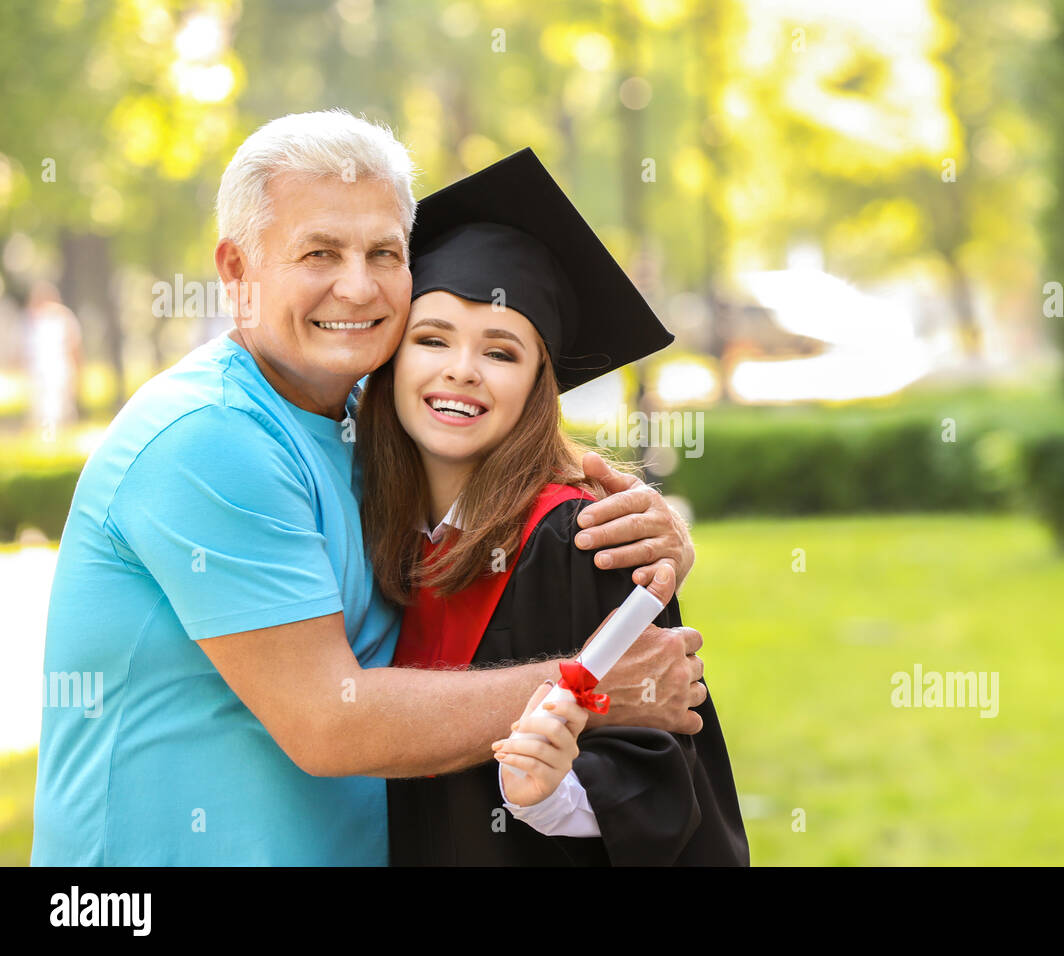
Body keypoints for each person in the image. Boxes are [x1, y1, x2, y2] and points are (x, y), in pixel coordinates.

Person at [31, 111, 706, 866]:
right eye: (319, 251)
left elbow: (495, 466)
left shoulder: (364, 430)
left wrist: (654, 538)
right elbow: (330, 722)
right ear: (236, 273)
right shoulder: (206, 437)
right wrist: (593, 685)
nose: (356, 286)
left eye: (384, 252)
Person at [361, 148, 748, 866]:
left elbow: (672, 777)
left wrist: (552, 795)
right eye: (432, 338)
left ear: (540, 382)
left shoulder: (584, 539)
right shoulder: (376, 527)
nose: (461, 369)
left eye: (502, 352)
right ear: (390, 360)